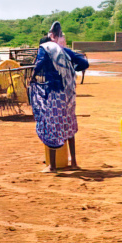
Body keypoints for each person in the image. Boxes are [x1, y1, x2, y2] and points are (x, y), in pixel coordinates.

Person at [30, 23, 88, 173]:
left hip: (54, 93)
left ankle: (52, 166)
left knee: (52, 126)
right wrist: (69, 70)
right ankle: (74, 162)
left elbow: (40, 63)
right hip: (68, 95)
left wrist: (33, 76)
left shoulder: (45, 49)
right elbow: (84, 62)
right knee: (69, 124)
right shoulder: (64, 51)